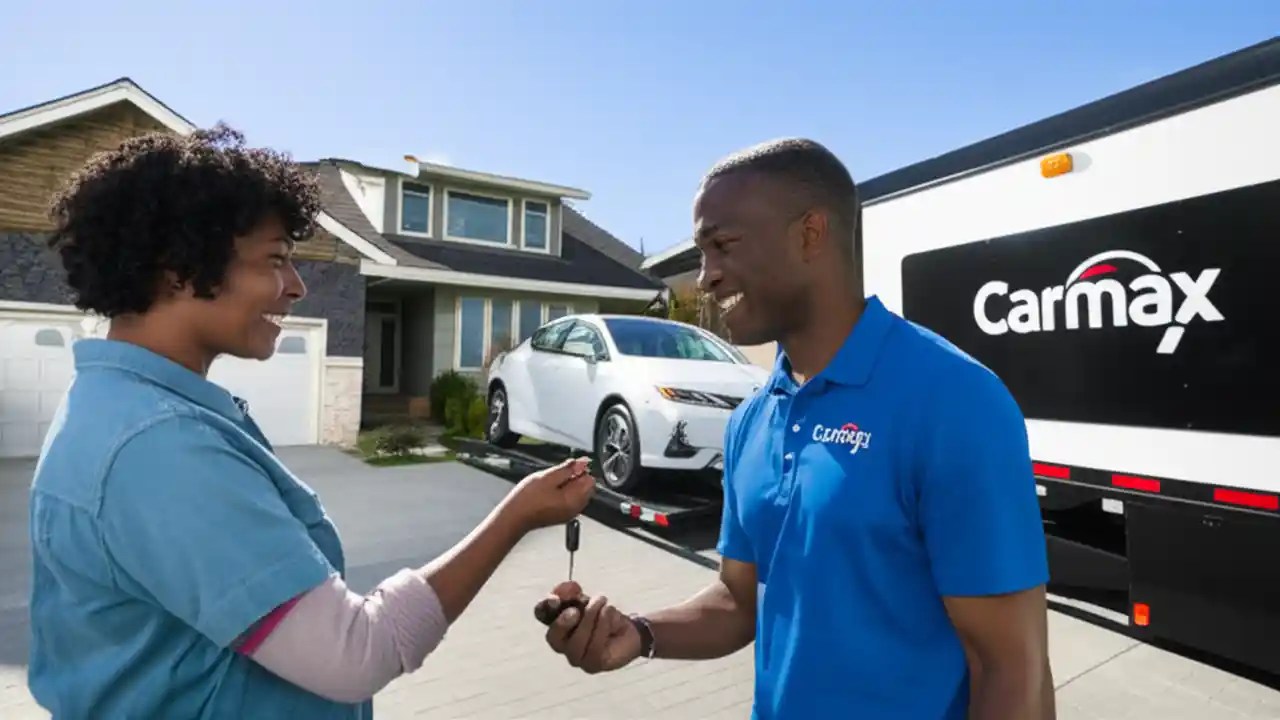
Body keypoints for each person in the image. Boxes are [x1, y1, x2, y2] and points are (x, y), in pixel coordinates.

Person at [26, 123, 596, 719]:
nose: (296, 286)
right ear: (176, 268)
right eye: (275, 260)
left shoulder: (128, 410)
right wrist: (518, 514)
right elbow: (358, 653)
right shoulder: (158, 449)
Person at [535, 138, 1055, 719]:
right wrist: (638, 634)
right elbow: (739, 602)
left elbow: (1013, 669)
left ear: (811, 234)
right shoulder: (752, 421)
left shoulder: (954, 402)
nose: (706, 277)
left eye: (723, 245)